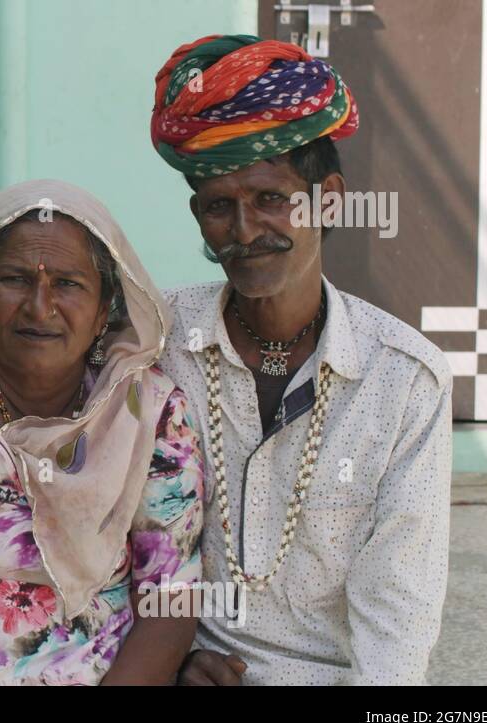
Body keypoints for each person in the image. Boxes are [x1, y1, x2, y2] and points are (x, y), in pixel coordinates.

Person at [151, 35, 452, 685]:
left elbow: (397, 613)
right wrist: (169, 658)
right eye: (218, 207)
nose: (245, 229)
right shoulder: (158, 336)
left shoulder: (404, 379)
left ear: (330, 198)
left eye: (269, 197)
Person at [0, 180, 205, 686]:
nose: (39, 306)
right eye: (15, 279)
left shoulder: (147, 410)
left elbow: (168, 602)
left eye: (68, 284)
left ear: (102, 311)